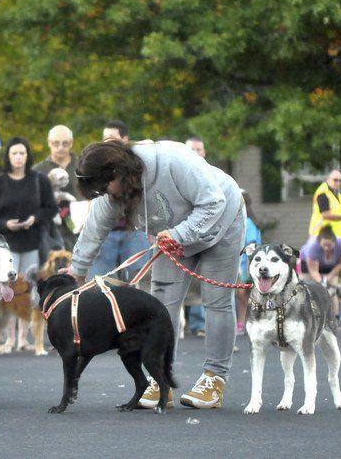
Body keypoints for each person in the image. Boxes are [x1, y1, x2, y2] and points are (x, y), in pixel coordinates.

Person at [67, 140, 245, 409]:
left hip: (221, 223)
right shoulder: (114, 192)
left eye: (105, 187)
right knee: (160, 305)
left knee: (216, 301)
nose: (106, 194)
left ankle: (214, 378)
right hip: (172, 238)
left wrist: (179, 234)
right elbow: (94, 229)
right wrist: (77, 272)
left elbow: (213, 202)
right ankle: (161, 380)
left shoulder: (174, 161)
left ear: (118, 172)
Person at [0, 137, 57, 344]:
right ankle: (7, 338)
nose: (18, 157)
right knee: (7, 288)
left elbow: (50, 208)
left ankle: (24, 338)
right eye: (14, 153)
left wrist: (35, 219)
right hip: (7, 246)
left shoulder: (39, 180)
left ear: (27, 155)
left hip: (33, 243)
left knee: (30, 290)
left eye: (22, 153)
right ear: (8, 156)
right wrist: (6, 224)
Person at [86, 121, 151, 282]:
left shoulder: (138, 162)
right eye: (105, 139)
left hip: (134, 229)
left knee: (141, 278)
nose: (107, 143)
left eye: (112, 138)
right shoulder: (98, 164)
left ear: (125, 139)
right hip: (107, 232)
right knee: (98, 280)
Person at [33, 124, 82, 253]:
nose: (60, 148)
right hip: (49, 231)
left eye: (65, 144)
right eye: (56, 143)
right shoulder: (38, 171)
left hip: (80, 230)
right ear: (49, 143)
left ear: (71, 143)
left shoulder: (82, 166)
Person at [183, 136, 208, 337]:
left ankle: (200, 324)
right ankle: (174, 325)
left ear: (204, 153)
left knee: (202, 279)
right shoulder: (178, 175)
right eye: (191, 149)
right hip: (180, 234)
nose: (195, 153)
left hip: (204, 235)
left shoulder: (211, 175)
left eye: (198, 149)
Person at [301, 226, 341, 322]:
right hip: (308, 264)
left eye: (330, 245)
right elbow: (313, 271)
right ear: (320, 243)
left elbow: (340, 264)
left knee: (332, 291)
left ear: (335, 243)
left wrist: (328, 278)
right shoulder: (312, 247)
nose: (327, 248)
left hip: (331, 265)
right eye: (324, 245)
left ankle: (335, 317)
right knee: (307, 289)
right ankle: (306, 316)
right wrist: (322, 282)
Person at [236, 190, 261, 336]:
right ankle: (242, 322)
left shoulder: (248, 223)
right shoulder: (242, 221)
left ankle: (246, 322)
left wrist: (249, 271)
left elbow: (251, 247)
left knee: (244, 295)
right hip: (241, 265)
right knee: (243, 296)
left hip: (247, 265)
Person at [308, 169, 341, 239]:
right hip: (321, 237)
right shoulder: (323, 193)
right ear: (328, 179)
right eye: (335, 180)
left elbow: (340, 214)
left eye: (340, 180)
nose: (338, 182)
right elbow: (326, 215)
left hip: (335, 237)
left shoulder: (338, 195)